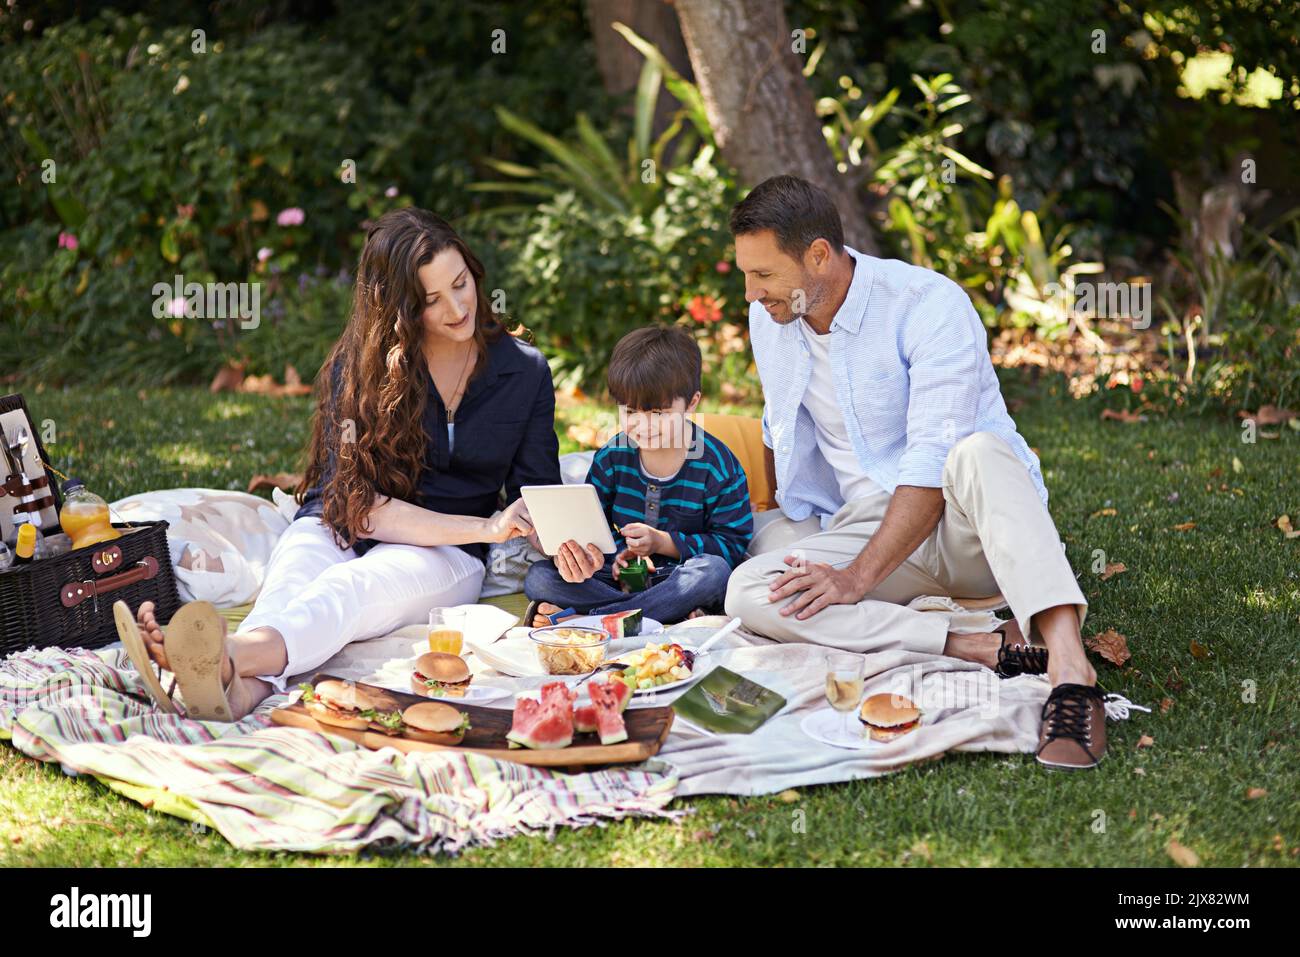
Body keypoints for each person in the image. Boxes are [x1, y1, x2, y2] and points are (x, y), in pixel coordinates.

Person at [721, 175, 1107, 770]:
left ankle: (1069, 668)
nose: (751, 294)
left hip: (962, 529)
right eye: (746, 275)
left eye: (764, 276)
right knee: (749, 588)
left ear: (819, 255)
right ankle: (980, 646)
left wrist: (852, 580)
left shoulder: (928, 304)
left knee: (978, 450)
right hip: (865, 526)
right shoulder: (773, 320)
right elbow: (780, 429)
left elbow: (930, 469)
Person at [124, 208, 560, 720]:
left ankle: (228, 656)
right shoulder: (361, 369)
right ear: (399, 310)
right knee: (287, 590)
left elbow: (541, 496)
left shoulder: (523, 371)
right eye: (431, 300)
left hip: (449, 550)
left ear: (472, 269)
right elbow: (357, 505)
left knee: (348, 589)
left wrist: (546, 534)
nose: (458, 308)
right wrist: (489, 525)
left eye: (460, 284)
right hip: (344, 521)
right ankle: (241, 692)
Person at [524, 326, 752, 627]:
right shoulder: (613, 456)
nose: (643, 426)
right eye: (631, 412)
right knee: (539, 578)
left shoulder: (716, 465)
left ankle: (590, 620)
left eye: (658, 413)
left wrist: (662, 543)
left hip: (675, 578)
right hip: (617, 579)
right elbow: (595, 526)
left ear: (692, 403)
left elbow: (732, 546)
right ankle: (645, 616)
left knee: (714, 573)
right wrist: (615, 555)